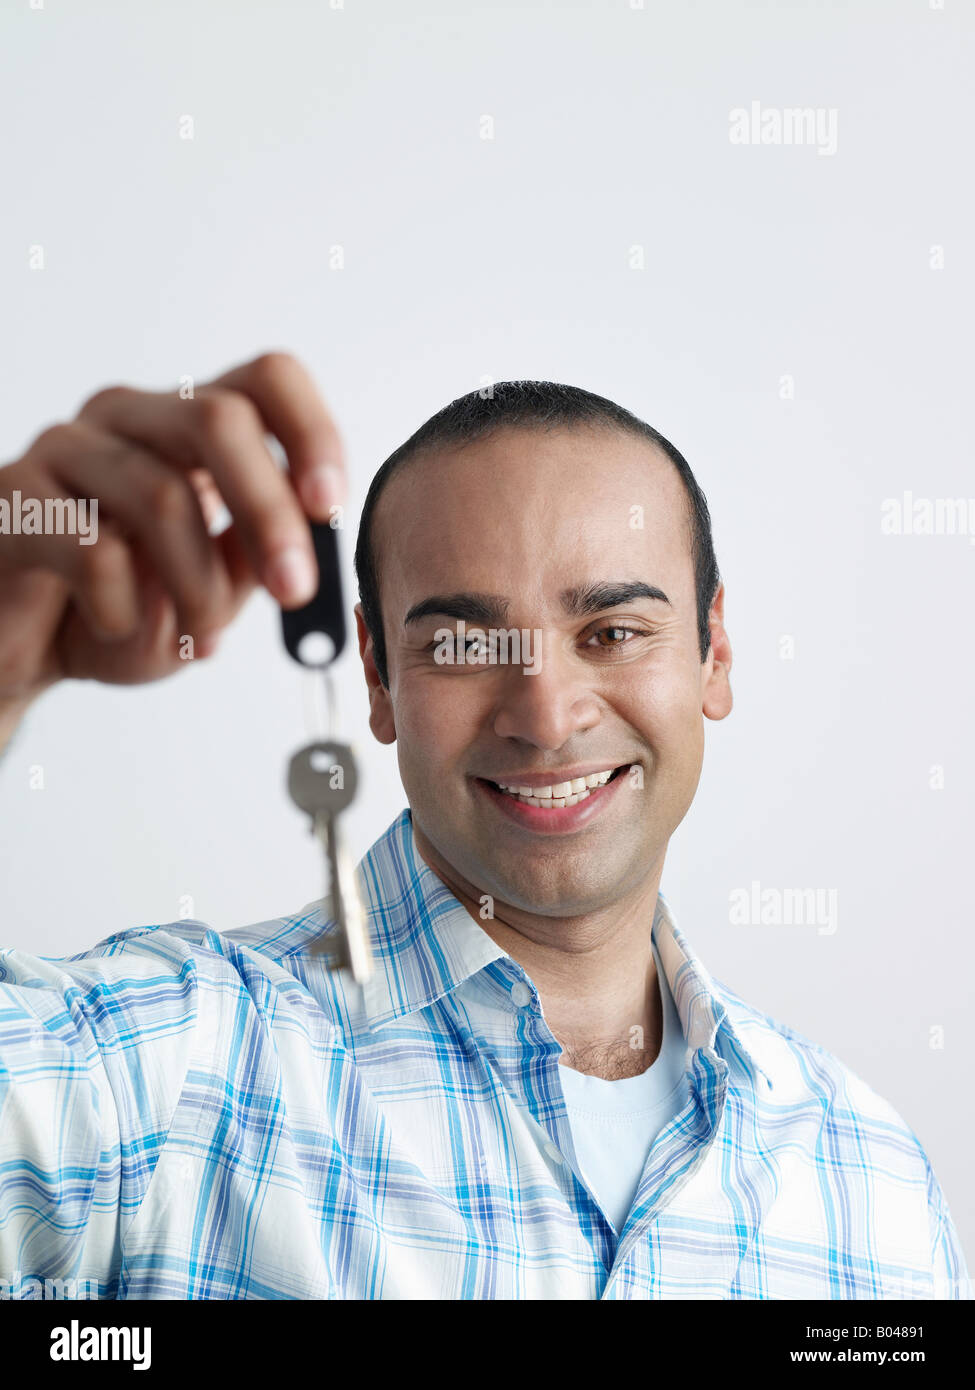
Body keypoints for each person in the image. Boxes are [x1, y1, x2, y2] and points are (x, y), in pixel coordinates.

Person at [0, 353, 967, 1300]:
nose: (547, 718)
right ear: (377, 678)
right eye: (463, 645)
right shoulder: (160, 1070)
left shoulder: (868, 1177)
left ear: (712, 651)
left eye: (614, 632)